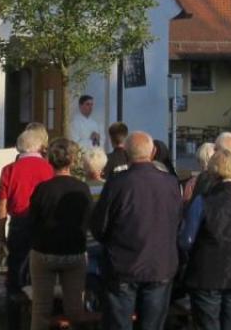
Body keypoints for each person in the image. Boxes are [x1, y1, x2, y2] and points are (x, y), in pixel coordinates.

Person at [90, 131, 183, 330]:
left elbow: (99, 225)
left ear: (126, 154)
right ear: (153, 152)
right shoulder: (171, 183)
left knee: (119, 324)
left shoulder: (117, 183)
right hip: (160, 265)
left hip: (123, 264)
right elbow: (177, 220)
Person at [180, 150, 231, 330]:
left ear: (213, 172)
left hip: (207, 271)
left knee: (208, 324)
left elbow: (187, 239)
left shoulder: (203, 201)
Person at [28, 139, 93, 330]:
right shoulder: (82, 188)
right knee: (75, 308)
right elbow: (87, 219)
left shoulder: (43, 189)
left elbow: (32, 221)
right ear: (72, 161)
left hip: (44, 250)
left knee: (40, 308)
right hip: (74, 251)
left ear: (50, 161)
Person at [0, 124, 54, 300]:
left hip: (19, 221)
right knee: (41, 268)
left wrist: (1, 236)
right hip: (42, 222)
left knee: (16, 266)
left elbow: (2, 205)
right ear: (38, 146)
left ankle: (13, 312)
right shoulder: (47, 168)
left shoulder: (9, 169)